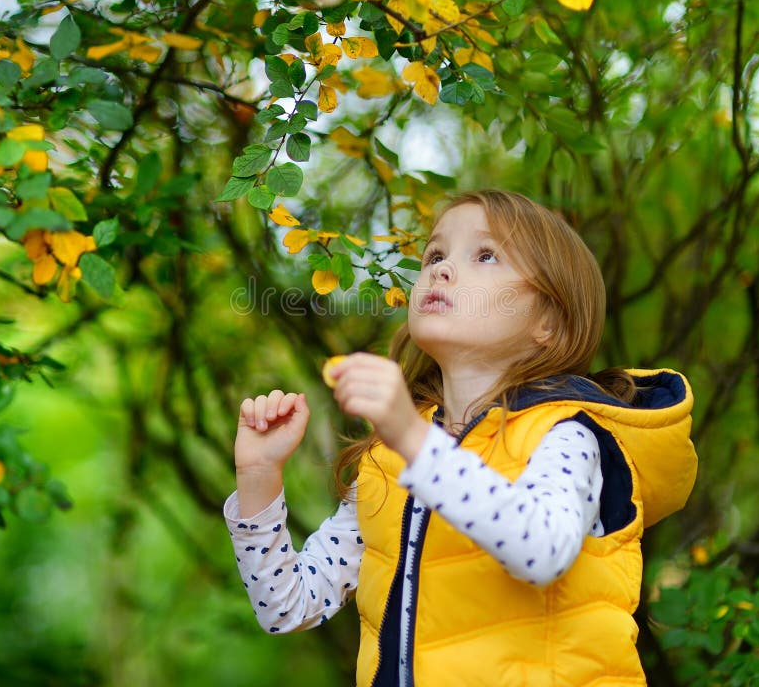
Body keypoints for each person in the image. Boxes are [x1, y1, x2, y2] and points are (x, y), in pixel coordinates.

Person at [223, 189, 697, 686]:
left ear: (548, 323)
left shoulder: (566, 434)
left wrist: (411, 438)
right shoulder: (391, 457)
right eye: (435, 254)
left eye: (486, 255)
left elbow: (540, 550)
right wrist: (259, 478)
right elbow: (288, 607)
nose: (441, 269)